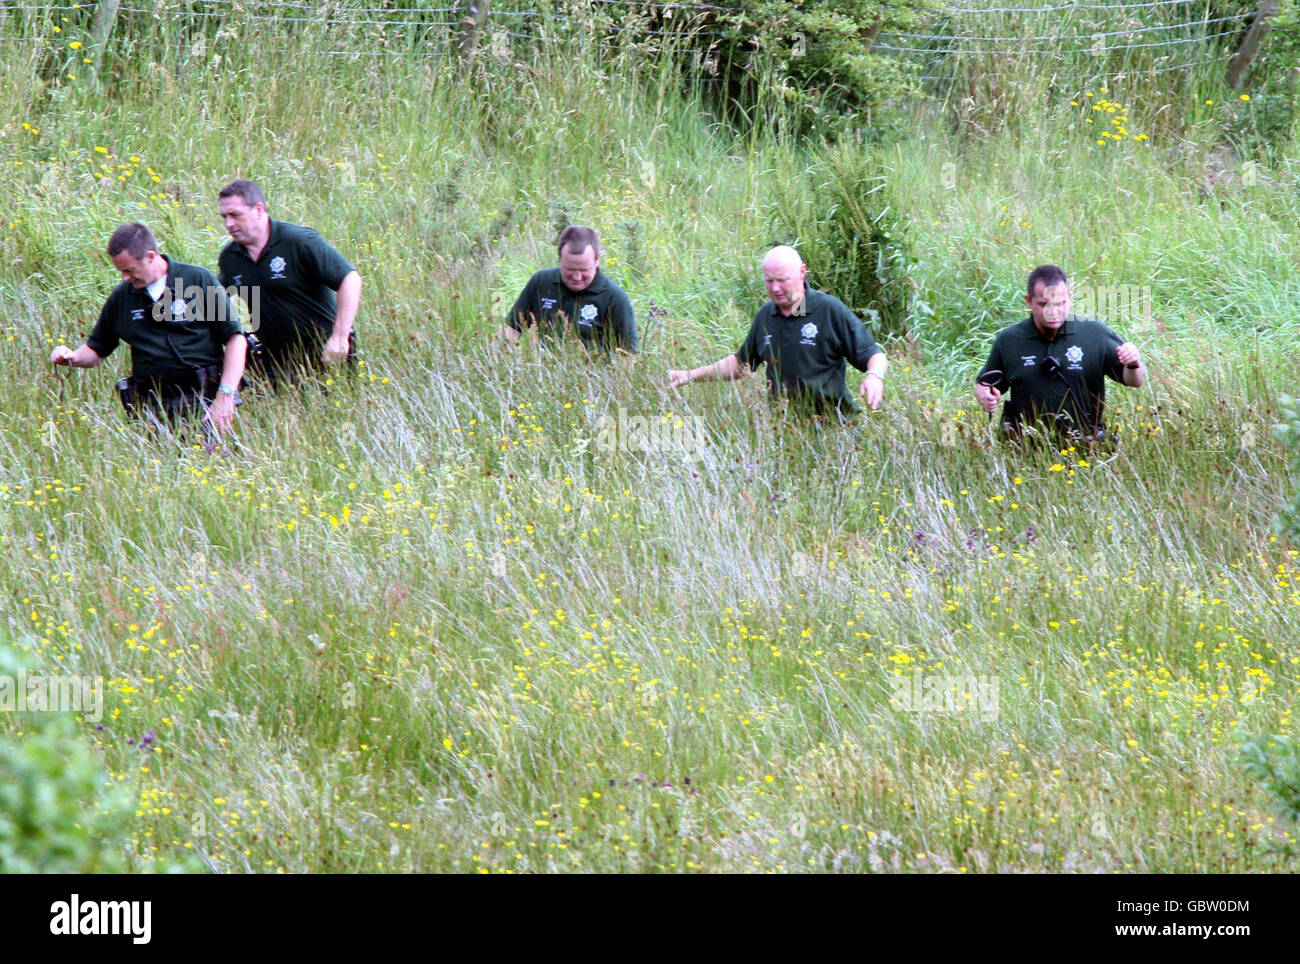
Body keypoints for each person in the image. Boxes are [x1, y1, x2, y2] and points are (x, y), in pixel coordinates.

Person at [50, 222, 247, 436]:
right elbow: (97, 350)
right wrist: (71, 357)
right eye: (121, 271)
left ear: (151, 256)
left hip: (205, 403)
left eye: (129, 270)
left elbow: (236, 339)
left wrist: (225, 396)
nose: (125, 277)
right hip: (151, 412)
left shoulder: (197, 280)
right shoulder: (122, 297)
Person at [668, 245, 887, 416]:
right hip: (784, 429)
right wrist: (691, 375)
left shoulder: (828, 311)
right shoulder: (766, 316)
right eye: (769, 281)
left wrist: (875, 377)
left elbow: (874, 355)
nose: (775, 288)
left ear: (802, 272)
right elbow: (741, 365)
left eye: (782, 280)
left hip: (833, 426)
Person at [975, 265, 1146, 442]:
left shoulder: (1095, 334)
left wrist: (1133, 363)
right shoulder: (1009, 340)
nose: (1053, 312)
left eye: (1060, 303)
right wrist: (984, 395)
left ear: (1070, 299)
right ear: (1028, 301)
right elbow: (985, 384)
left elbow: (1135, 380)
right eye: (1044, 304)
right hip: (1025, 449)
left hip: (1084, 449)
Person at [217, 178, 362, 385]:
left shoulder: (298, 241)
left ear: (259, 210)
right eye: (224, 217)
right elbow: (214, 300)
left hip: (325, 355)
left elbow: (350, 279)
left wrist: (339, 337)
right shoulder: (230, 258)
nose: (228, 224)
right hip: (276, 363)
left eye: (235, 215)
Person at [500, 225, 637, 355]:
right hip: (543, 374)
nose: (577, 277)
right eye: (570, 269)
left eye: (584, 270)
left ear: (597, 260)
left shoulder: (614, 297)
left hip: (594, 376)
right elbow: (511, 331)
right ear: (559, 258)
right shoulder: (541, 282)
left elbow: (628, 355)